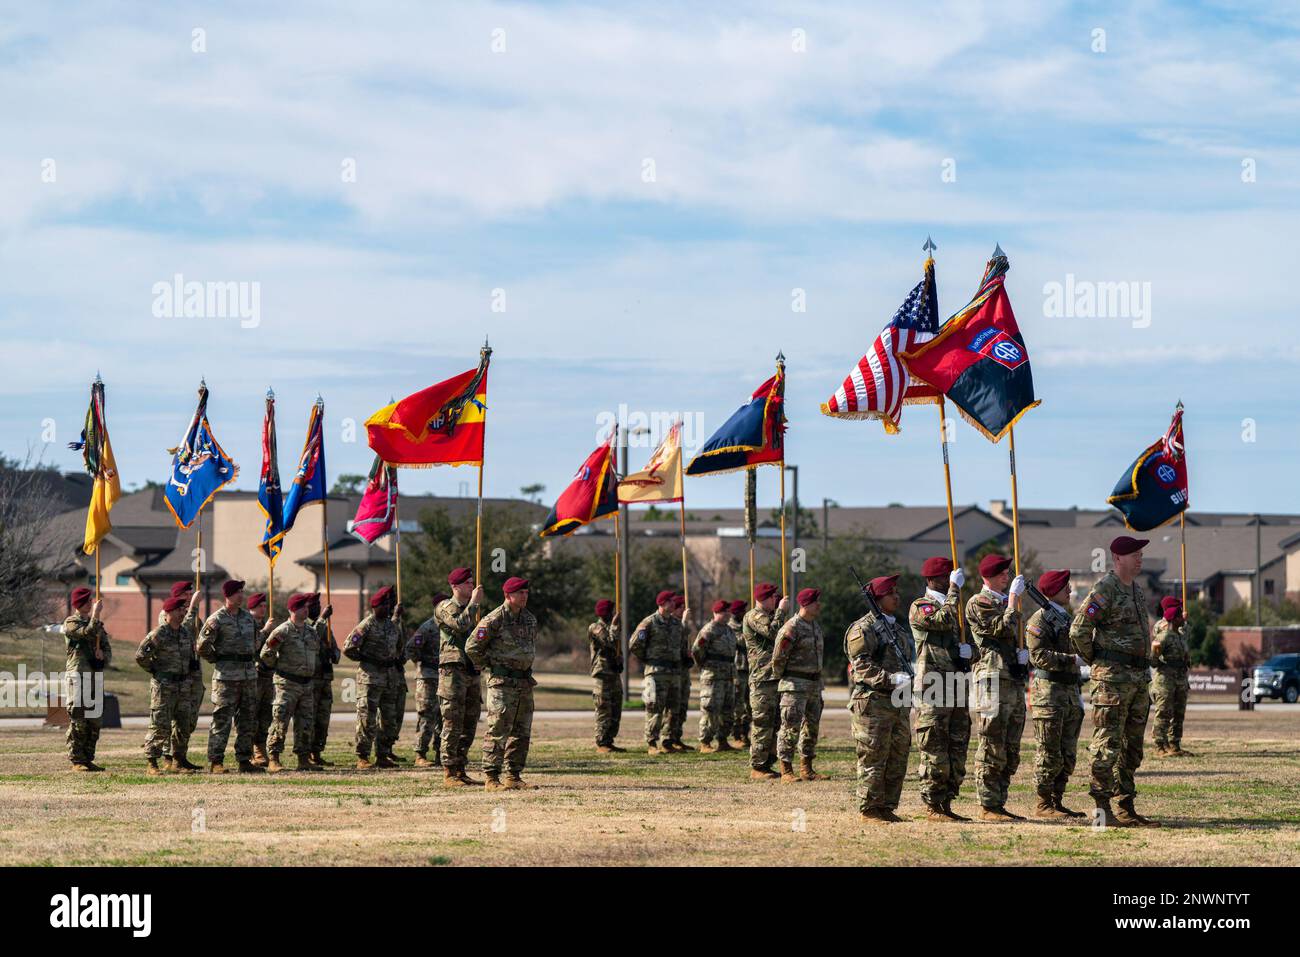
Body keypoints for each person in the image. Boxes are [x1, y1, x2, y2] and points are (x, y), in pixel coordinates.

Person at [1070, 536, 1161, 827]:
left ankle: (1125, 806)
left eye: (1141, 554)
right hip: (1112, 682)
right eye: (1135, 554)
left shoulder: (1135, 589)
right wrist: (1098, 661)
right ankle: (1102, 810)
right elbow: (1078, 631)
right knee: (1107, 745)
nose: (1140, 558)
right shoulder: (1104, 589)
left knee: (1132, 747)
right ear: (1118, 558)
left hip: (1136, 679)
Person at [908, 556, 972, 821]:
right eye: (945, 578)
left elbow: (960, 636)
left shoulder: (953, 606)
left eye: (951, 578)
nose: (949, 582)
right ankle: (933, 805)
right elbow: (942, 620)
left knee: (957, 745)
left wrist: (971, 652)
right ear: (932, 580)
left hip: (956, 684)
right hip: (933, 686)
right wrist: (955, 591)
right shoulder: (921, 606)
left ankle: (947, 801)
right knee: (934, 745)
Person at [847, 575, 914, 823]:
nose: (896, 597)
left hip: (897, 702)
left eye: (897, 592)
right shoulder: (862, 628)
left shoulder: (897, 628)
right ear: (877, 598)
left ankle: (886, 806)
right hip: (873, 701)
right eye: (890, 593)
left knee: (897, 756)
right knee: (873, 755)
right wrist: (890, 679)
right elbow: (860, 666)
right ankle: (869, 808)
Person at [966, 553, 1028, 821]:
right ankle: (988, 805)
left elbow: (1014, 633)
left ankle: (1000, 802)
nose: (1007, 576)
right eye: (1002, 573)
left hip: (1012, 678)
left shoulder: (1005, 602)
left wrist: (1022, 656)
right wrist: (1013, 600)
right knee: (992, 742)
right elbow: (1001, 627)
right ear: (987, 576)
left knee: (1010, 745)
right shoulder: (979, 602)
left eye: (1008, 572)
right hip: (991, 678)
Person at [466, 576, 539, 790]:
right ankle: (491, 777)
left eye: (526, 593)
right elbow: (472, 646)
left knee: (521, 731)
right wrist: (486, 664)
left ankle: (513, 776)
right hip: (502, 682)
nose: (524, 597)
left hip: (524, 682)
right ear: (508, 595)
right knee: (498, 729)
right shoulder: (494, 619)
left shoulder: (529, 619)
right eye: (520, 593)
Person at [1025, 569, 1086, 819]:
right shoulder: (1038, 621)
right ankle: (1043, 804)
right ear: (1051, 592)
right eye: (1065, 587)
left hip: (1070, 692)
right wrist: (1073, 659)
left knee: (1067, 753)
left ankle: (1057, 800)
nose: (1069, 590)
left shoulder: (1066, 618)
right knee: (1048, 751)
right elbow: (1038, 656)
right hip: (1049, 695)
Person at [197, 580, 264, 774]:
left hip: (248, 675)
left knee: (247, 719)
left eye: (242, 592)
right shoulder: (216, 619)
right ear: (228, 595)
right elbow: (202, 646)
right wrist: (217, 659)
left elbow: (256, 641)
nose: (241, 596)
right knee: (222, 719)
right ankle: (216, 761)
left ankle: (244, 759)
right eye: (237, 593)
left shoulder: (247, 618)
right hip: (226, 677)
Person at [342, 585, 405, 770]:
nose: (387, 607)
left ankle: (383, 754)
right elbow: (348, 648)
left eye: (389, 604)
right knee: (366, 719)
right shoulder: (366, 625)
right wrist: (366, 659)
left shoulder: (392, 626)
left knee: (389, 719)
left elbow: (399, 647)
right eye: (384, 604)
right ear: (375, 606)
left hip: (389, 678)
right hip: (370, 678)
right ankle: (362, 756)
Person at [259, 592, 321, 773]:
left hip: (306, 684)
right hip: (287, 684)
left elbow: (315, 651)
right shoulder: (282, 631)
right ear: (294, 609)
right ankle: (273, 758)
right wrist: (279, 668)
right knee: (280, 720)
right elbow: (266, 654)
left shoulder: (311, 631)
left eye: (307, 607)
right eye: (303, 607)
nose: (306, 610)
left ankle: (303, 758)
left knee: (305, 722)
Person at [435, 568, 486, 786]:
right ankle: (449, 771)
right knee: (452, 721)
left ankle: (460, 767)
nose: (471, 587)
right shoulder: (445, 607)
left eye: (472, 583)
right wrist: (474, 603)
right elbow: (459, 625)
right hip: (453, 673)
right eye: (467, 583)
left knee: (469, 721)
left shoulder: (472, 610)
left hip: (470, 671)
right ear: (455, 587)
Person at [771, 587, 824, 782]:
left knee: (811, 727)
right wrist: (784, 679)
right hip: (795, 685)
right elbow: (778, 658)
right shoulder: (791, 627)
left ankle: (807, 767)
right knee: (790, 727)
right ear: (805, 604)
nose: (819, 605)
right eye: (815, 601)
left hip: (814, 684)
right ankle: (786, 769)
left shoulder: (815, 626)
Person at [135, 595, 193, 775]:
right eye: (178, 611)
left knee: (183, 724)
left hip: (182, 685)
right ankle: (152, 763)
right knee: (160, 724)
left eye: (183, 610)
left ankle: (177, 761)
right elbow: (140, 656)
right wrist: (156, 671)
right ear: (168, 613)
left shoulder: (184, 633)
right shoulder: (159, 633)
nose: (181, 614)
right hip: (163, 685)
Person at [743, 582, 791, 779]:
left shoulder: (769, 617)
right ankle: (757, 766)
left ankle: (768, 762)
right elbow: (773, 633)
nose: (776, 600)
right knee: (763, 723)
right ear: (764, 598)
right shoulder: (754, 616)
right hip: (762, 678)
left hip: (775, 676)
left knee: (777, 723)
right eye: (773, 597)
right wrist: (781, 612)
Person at [629, 590, 684, 755]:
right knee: (655, 708)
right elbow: (634, 644)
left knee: (673, 708)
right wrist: (648, 658)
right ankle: (652, 743)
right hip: (656, 672)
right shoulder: (649, 623)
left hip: (673, 672)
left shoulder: (676, 624)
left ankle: (668, 741)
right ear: (662, 603)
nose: (674, 604)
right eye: (670, 601)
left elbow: (681, 645)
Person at [63, 586, 111, 772]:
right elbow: (86, 633)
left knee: (94, 719)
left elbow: (107, 648)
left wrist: (102, 656)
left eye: (90, 601)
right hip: (78, 675)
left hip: (95, 675)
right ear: (78, 603)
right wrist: (96, 616)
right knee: (79, 718)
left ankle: (88, 757)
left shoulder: (97, 625)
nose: (90, 604)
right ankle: (77, 759)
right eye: (87, 601)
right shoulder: (71, 622)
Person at [406, 592, 447, 767]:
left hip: (445, 677)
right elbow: (411, 648)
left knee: (444, 717)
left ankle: (441, 753)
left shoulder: (451, 627)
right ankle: (420, 754)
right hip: (428, 678)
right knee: (427, 716)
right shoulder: (428, 627)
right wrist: (421, 663)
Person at [691, 600, 736, 753]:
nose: (728, 614)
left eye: (728, 611)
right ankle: (705, 742)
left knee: (727, 710)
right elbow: (697, 649)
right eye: (725, 611)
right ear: (716, 613)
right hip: (713, 675)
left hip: (728, 675)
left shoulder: (729, 630)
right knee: (711, 709)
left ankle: (723, 740)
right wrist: (704, 665)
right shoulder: (709, 630)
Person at [1151, 596, 1192, 757]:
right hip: (1166, 680)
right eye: (1179, 615)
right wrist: (1158, 659)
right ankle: (1159, 745)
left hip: (1180, 678)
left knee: (1178, 713)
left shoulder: (1179, 636)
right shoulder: (1164, 635)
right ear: (1173, 618)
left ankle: (1174, 744)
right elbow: (1153, 659)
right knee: (1163, 712)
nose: (1182, 617)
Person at [306, 593, 339, 766]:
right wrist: (323, 618)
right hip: (311, 679)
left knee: (323, 718)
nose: (317, 608)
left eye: (318, 605)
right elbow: (310, 636)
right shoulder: (303, 626)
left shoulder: (326, 627)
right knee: (309, 718)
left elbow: (336, 648)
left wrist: (333, 652)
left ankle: (317, 751)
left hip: (325, 678)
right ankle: (306, 753)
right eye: (313, 605)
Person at [588, 598, 625, 753]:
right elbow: (608, 641)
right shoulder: (595, 627)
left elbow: (616, 646)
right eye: (611, 611)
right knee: (604, 709)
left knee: (616, 708)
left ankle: (609, 740)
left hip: (614, 673)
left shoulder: (612, 627)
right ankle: (601, 742)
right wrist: (615, 626)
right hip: (602, 673)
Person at [248, 592, 277, 767]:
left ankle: (261, 748)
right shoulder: (248, 624)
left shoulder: (268, 625)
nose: (264, 609)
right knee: (252, 714)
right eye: (260, 606)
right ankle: (250, 750)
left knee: (265, 714)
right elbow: (252, 646)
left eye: (265, 606)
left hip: (268, 675)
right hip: (253, 675)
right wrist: (265, 630)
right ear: (252, 608)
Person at [665, 592, 694, 751]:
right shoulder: (671, 624)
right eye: (680, 607)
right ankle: (668, 738)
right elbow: (675, 637)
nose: (683, 609)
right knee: (673, 707)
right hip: (673, 671)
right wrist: (684, 621)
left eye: (683, 606)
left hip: (683, 670)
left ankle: (677, 737)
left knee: (682, 706)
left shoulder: (682, 625)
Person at [728, 599, 751, 747]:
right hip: (737, 669)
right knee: (738, 705)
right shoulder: (730, 627)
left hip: (750, 669)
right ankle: (736, 734)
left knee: (750, 705)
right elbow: (741, 641)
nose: (744, 613)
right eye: (742, 611)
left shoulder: (747, 624)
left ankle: (745, 733)